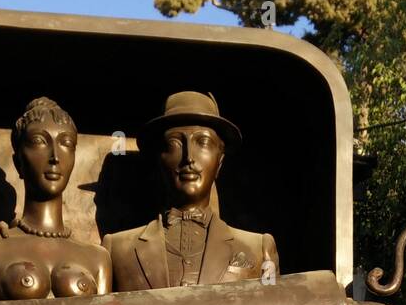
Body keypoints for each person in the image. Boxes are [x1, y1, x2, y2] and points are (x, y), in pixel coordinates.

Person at [103, 91, 279, 291]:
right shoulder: (116, 250)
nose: (189, 158)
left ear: (219, 162)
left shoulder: (260, 248)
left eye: (203, 142)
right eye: (174, 144)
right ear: (159, 161)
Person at [0, 97, 110, 302]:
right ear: (18, 162)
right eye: (39, 142)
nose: (55, 157)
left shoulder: (99, 257)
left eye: (66, 143)